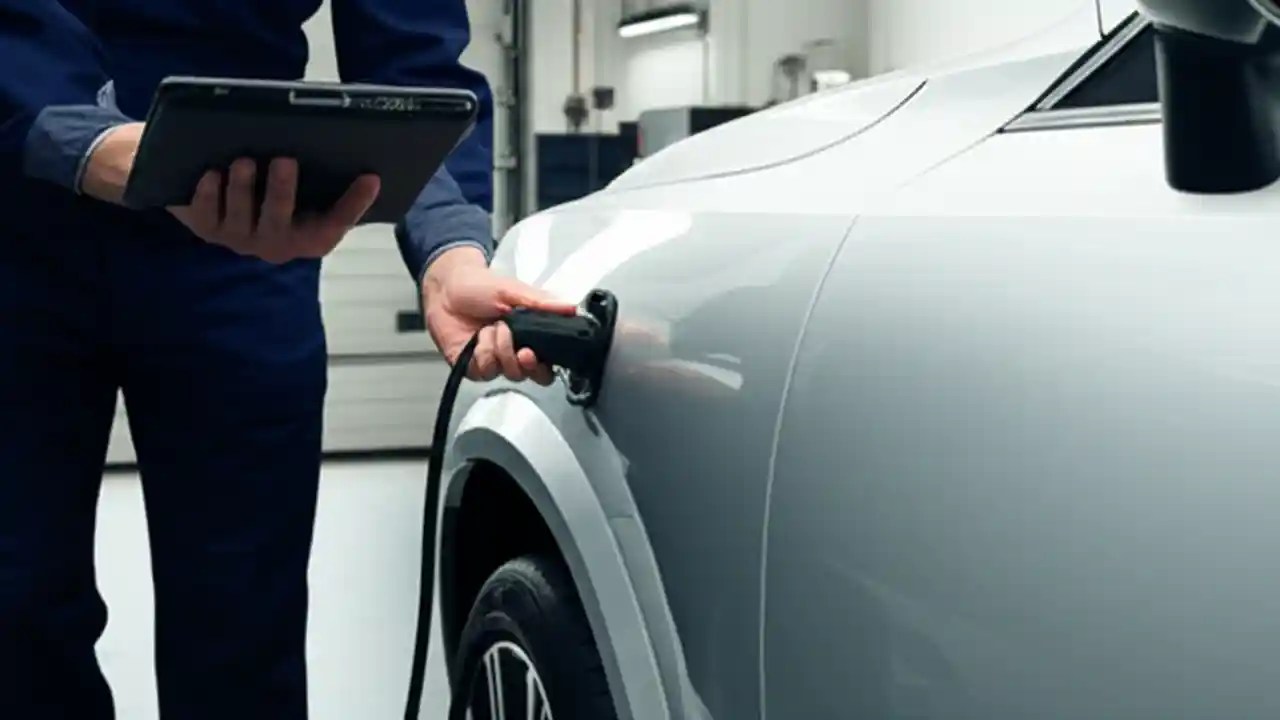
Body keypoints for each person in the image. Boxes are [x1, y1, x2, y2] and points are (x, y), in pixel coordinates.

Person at [0, 1, 573, 718]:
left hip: (243, 227)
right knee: (15, 611)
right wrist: (87, 139)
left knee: (241, 623)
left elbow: (413, 62)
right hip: (17, 213)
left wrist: (449, 247)